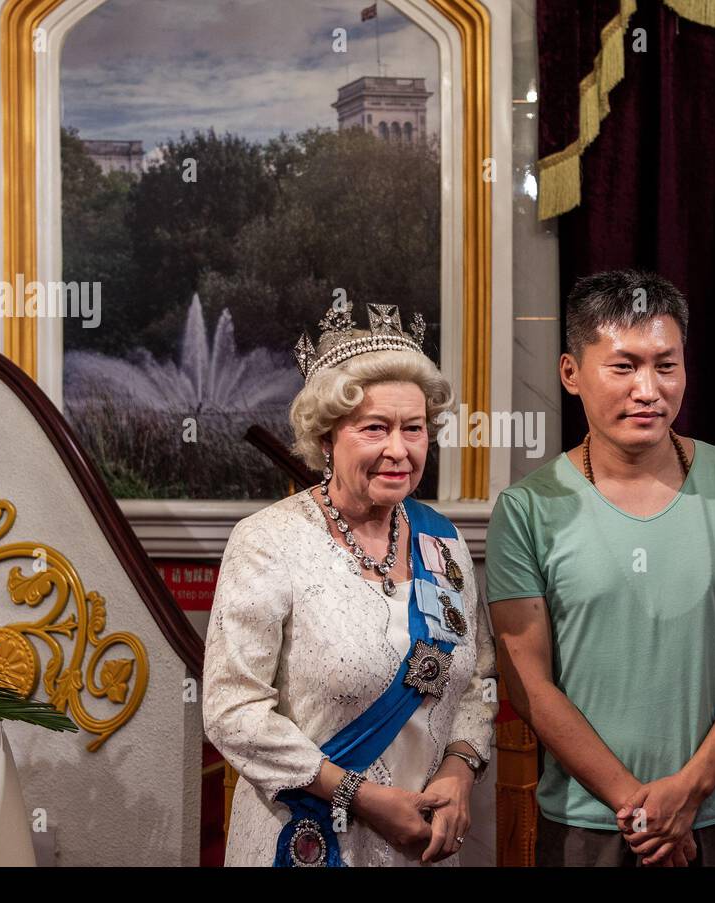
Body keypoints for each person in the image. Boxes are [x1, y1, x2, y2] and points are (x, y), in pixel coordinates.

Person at [486, 269, 715, 867]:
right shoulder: (527, 510)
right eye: (623, 366)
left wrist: (690, 790)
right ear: (571, 373)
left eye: (665, 366)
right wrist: (643, 809)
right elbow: (531, 687)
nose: (648, 389)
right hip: (586, 827)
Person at [202, 300, 497, 867]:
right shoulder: (269, 542)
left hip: (422, 845)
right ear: (326, 437)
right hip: (308, 838)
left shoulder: (443, 543)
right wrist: (358, 795)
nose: (399, 450)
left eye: (413, 429)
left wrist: (460, 771)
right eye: (374, 429)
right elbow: (232, 710)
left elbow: (477, 681)